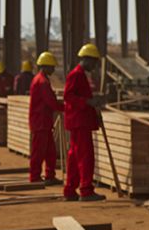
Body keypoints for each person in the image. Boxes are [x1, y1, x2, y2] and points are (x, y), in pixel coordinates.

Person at [63, 43, 106, 202]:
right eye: (94, 62)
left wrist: (93, 107)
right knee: (86, 157)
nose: (94, 66)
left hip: (79, 122)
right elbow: (68, 96)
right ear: (87, 59)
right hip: (79, 123)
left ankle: (70, 190)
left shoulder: (80, 75)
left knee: (74, 157)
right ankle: (86, 190)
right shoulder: (76, 74)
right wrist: (88, 102)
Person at [28, 52, 64, 185]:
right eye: (52, 67)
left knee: (50, 152)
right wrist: (66, 107)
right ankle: (34, 177)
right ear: (45, 66)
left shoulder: (42, 79)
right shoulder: (42, 82)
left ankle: (50, 175)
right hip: (40, 122)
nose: (53, 69)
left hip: (44, 122)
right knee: (38, 151)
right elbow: (51, 101)